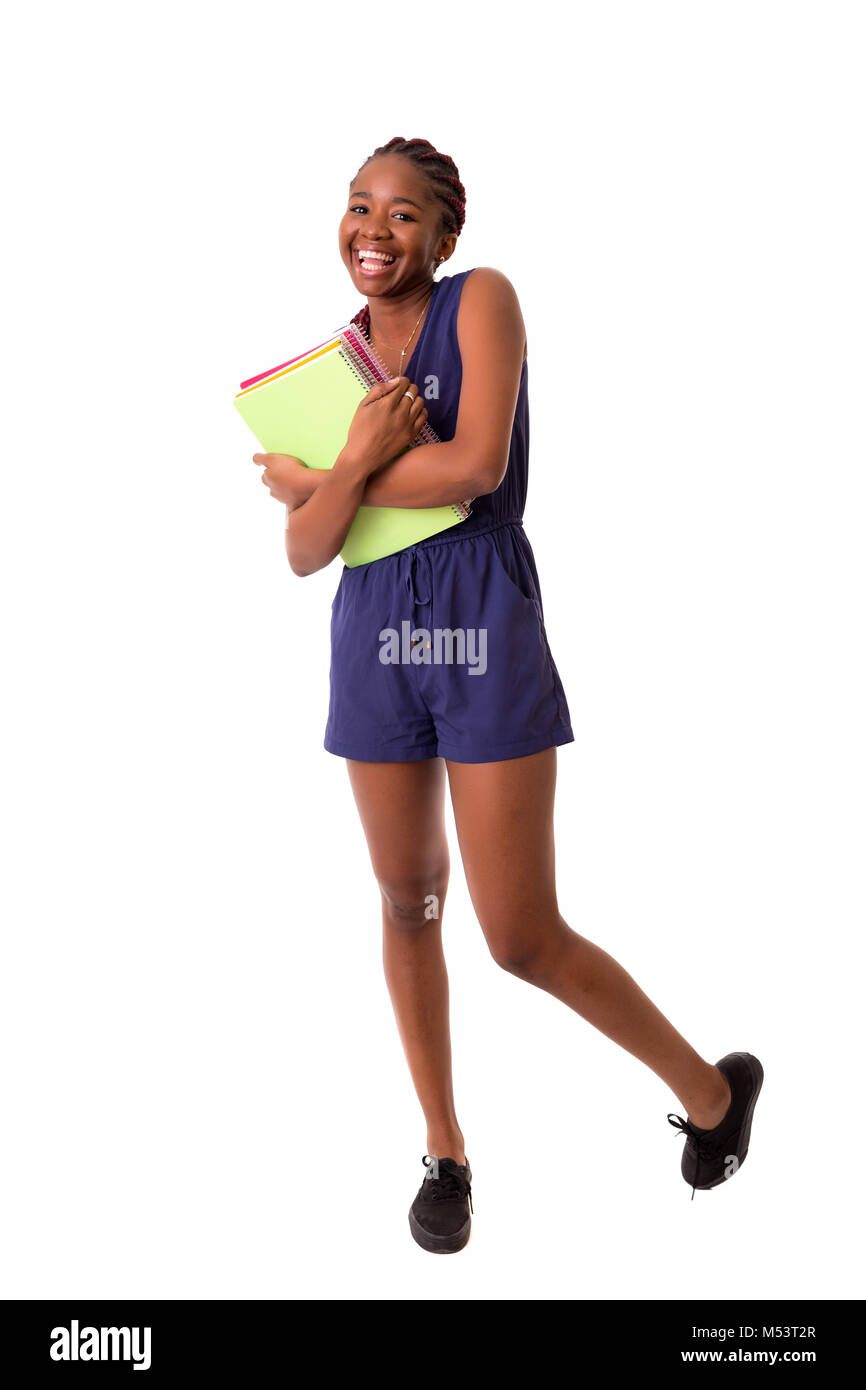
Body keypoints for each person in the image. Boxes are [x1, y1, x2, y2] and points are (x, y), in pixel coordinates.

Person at [253, 137, 764, 1255]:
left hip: (479, 613)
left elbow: (475, 464)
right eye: (355, 207)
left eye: (400, 212)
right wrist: (339, 475)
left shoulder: (481, 302)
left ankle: (715, 1096)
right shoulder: (328, 367)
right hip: (372, 631)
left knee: (518, 933)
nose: (372, 230)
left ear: (443, 234)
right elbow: (303, 548)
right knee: (405, 903)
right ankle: (445, 1147)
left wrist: (329, 482)